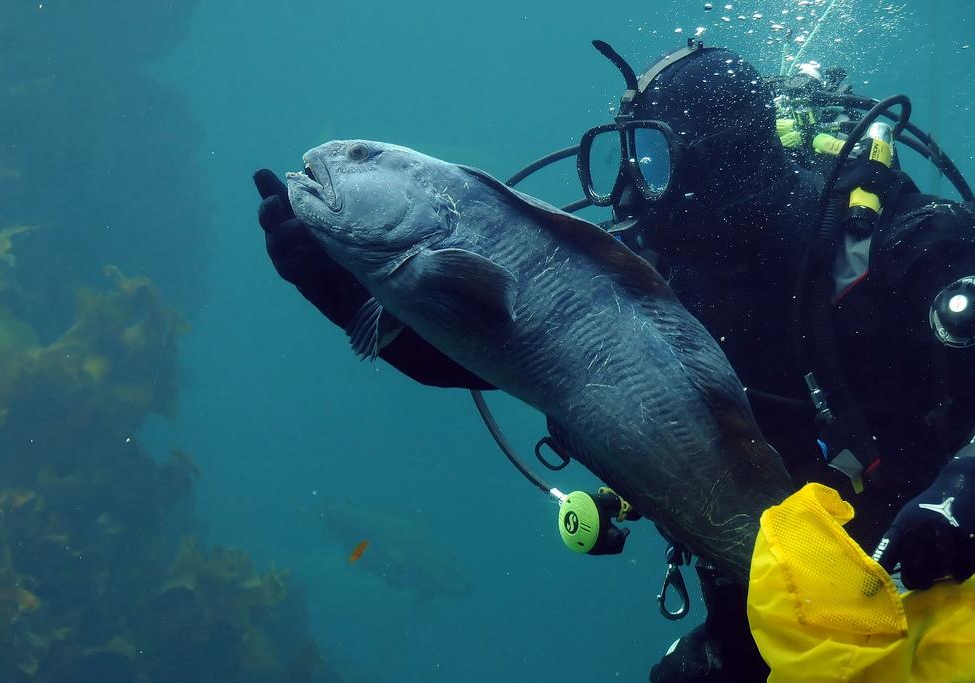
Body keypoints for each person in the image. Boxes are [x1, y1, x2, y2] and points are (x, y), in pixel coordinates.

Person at [253, 39, 975, 682]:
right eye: (628, 155)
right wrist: (352, 297)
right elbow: (501, 349)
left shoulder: (911, 250)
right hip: (775, 598)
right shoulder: (671, 274)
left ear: (723, 159)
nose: (630, 188)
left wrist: (955, 505)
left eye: (653, 158)